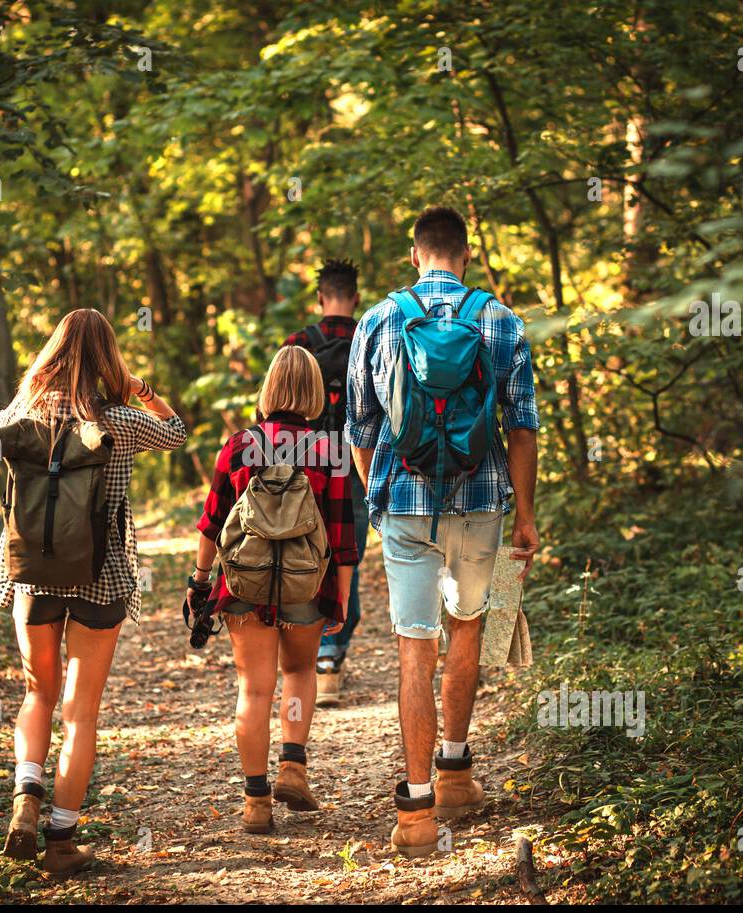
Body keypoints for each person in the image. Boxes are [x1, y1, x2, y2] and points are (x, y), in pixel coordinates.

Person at [345, 206, 540, 857]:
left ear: (414, 253)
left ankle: (419, 810)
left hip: (403, 503)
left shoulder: (378, 319)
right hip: (482, 505)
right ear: (466, 252)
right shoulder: (501, 319)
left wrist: (379, 500)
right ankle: (457, 770)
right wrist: (528, 516)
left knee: (413, 646)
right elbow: (522, 427)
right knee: (469, 624)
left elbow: (361, 429)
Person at [0, 308, 186, 878]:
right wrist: (140, 389)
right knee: (81, 712)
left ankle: (27, 795)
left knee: (36, 695)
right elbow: (177, 433)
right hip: (102, 573)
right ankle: (62, 841)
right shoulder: (120, 418)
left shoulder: (21, 411)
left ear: (52, 351)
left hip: (32, 570)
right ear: (108, 360)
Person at [190, 346, 359, 834]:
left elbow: (211, 524)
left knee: (254, 688)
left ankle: (256, 802)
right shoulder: (331, 451)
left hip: (245, 580)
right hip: (307, 584)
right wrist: (341, 594)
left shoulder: (239, 446)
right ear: (311, 392)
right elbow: (344, 536)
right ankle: (293, 766)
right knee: (301, 670)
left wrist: (200, 582)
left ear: (268, 389)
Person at [284, 259, 369, 707]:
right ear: (355, 297)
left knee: (304, 552)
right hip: (356, 466)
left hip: (305, 467)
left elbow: (277, 409)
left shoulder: (299, 344)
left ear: (320, 297)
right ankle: (332, 657)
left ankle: (306, 648)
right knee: (346, 558)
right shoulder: (371, 338)